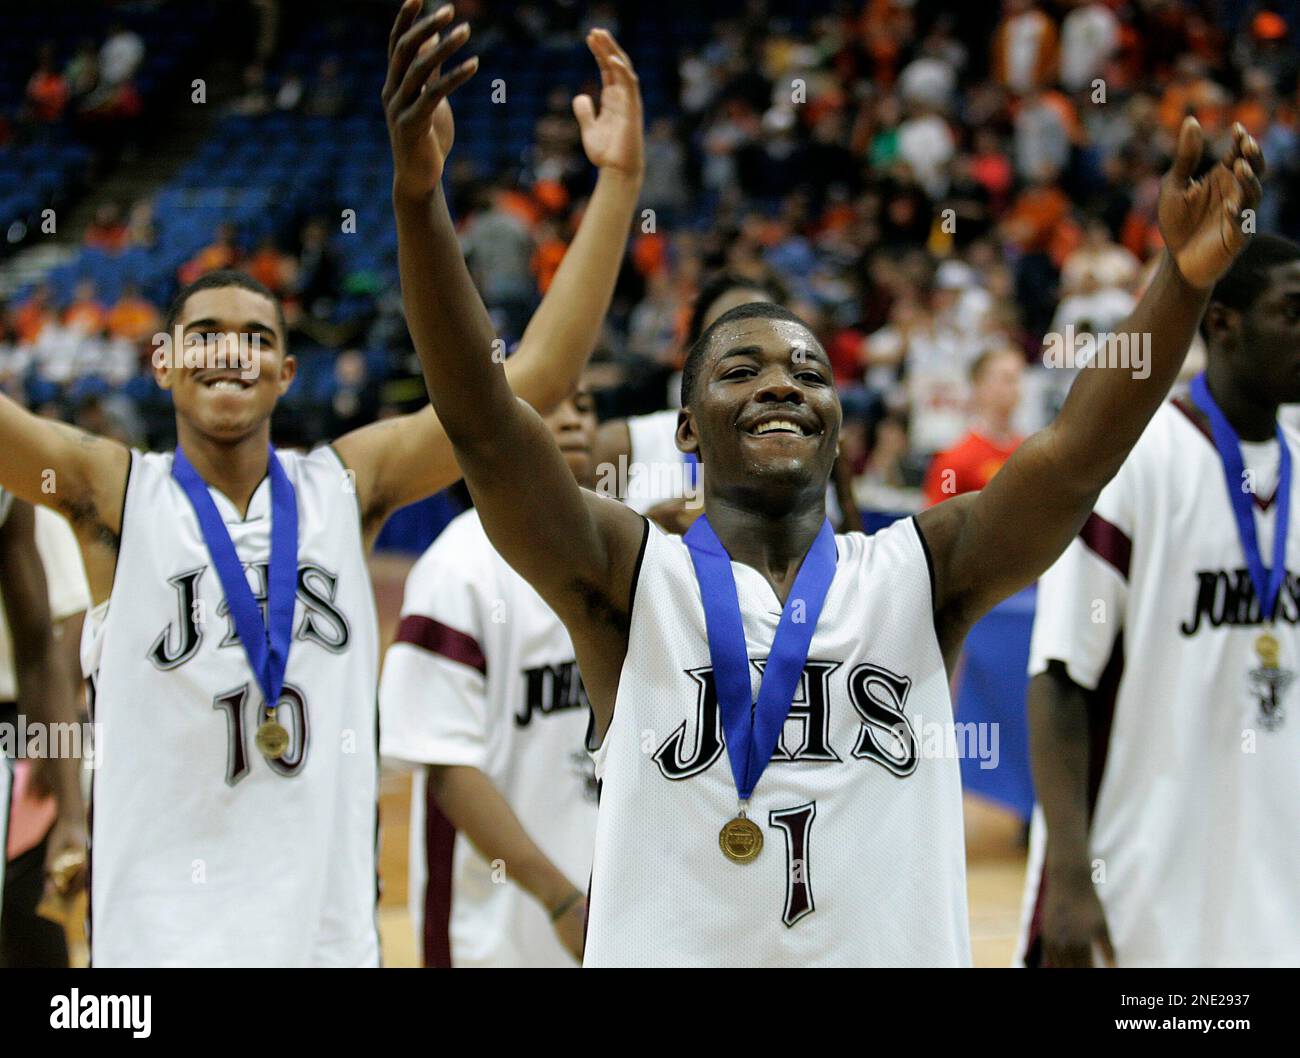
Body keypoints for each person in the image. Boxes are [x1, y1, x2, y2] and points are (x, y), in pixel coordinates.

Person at [385, 0, 1264, 966]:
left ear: (839, 425)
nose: (780, 385)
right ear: (686, 429)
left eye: (809, 373)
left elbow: (1073, 456)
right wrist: (421, 199)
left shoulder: (917, 575)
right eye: (740, 370)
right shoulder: (630, 583)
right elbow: (480, 419)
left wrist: (1178, 282)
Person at [0, 6, 642, 967]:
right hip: (156, 945)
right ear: (165, 362)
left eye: (258, 336)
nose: (233, 350)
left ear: (287, 374)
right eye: (207, 332)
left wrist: (620, 181)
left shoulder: (348, 482)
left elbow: (535, 380)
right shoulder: (112, 490)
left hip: (325, 940)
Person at [1019, 234, 1300, 968]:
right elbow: (1058, 680)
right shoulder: (1136, 460)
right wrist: (1072, 881)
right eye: (1292, 311)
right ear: (1223, 324)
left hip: (1271, 884)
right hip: (1133, 882)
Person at [380, 382, 602, 968]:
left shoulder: (628, 559)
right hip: (494, 927)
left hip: (615, 907)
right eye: (553, 404)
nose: (574, 420)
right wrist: (560, 899)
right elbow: (446, 763)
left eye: (584, 406)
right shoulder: (459, 566)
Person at [0, 494, 87, 967]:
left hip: (18, 723)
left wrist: (51, 751)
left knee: (26, 913)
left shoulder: (18, 488)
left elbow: (56, 632)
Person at [922, 345, 1024, 505]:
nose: (1017, 388)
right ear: (980, 385)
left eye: (1018, 378)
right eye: (1008, 379)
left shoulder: (1025, 450)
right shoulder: (954, 457)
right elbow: (934, 519)